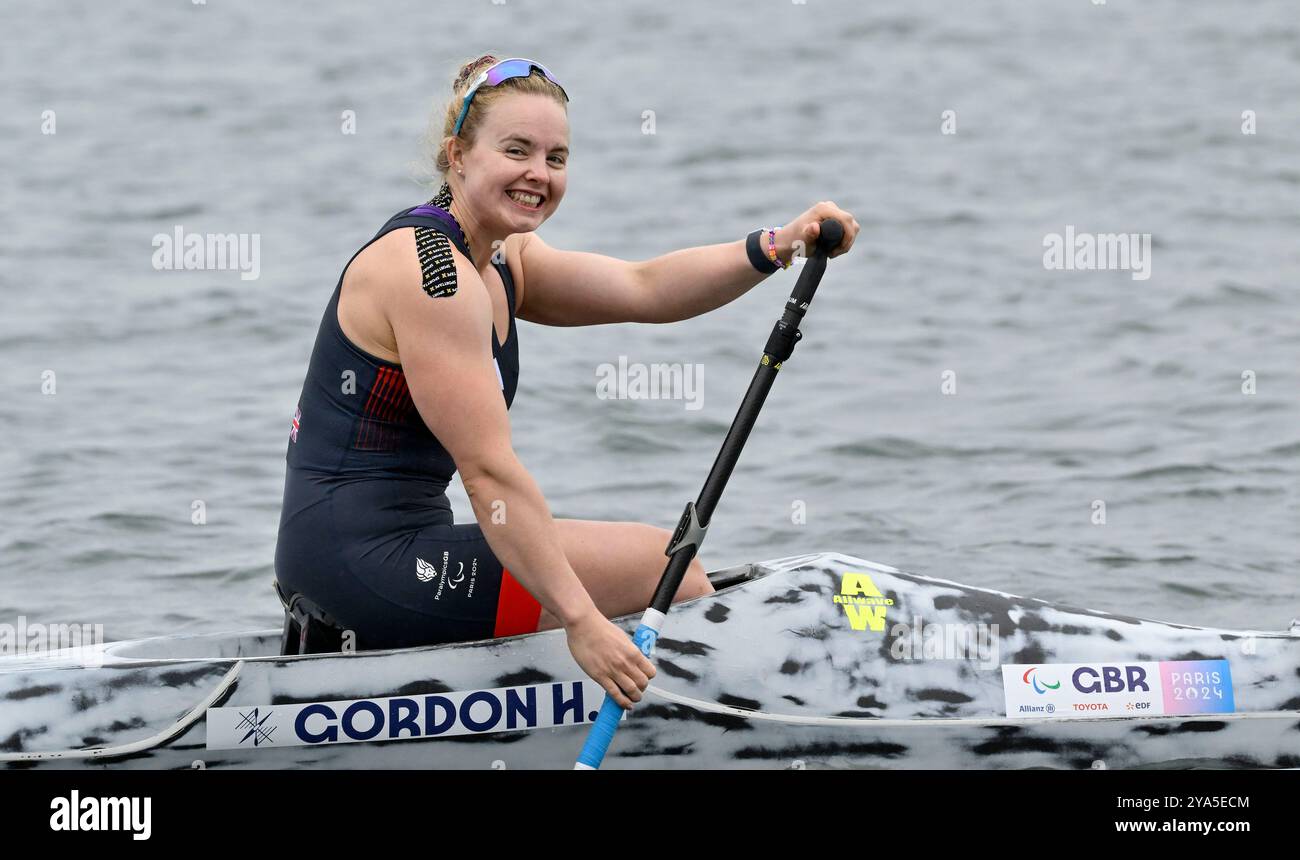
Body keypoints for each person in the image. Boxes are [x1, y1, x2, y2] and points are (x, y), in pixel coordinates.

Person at [274, 55, 859, 711]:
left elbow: (646, 289)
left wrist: (780, 243)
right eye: (516, 150)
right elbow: (488, 474)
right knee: (654, 568)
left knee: (646, 576)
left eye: (556, 157)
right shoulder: (428, 275)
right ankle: (697, 731)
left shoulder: (501, 258)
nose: (538, 174)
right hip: (359, 567)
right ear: (458, 155)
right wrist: (581, 621)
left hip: (394, 554)